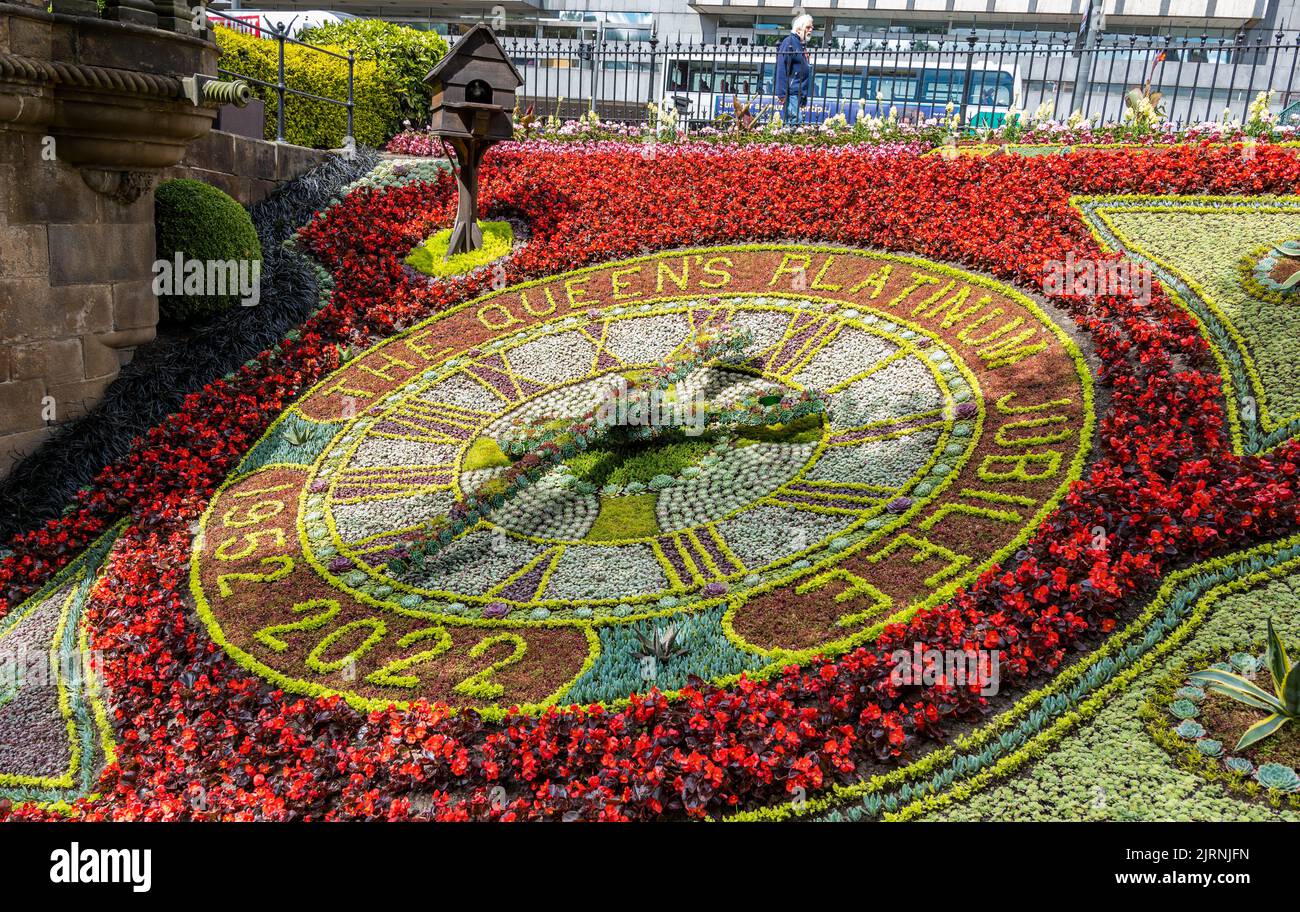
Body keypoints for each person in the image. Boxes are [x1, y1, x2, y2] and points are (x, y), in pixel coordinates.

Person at [776, 14, 814, 127]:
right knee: (793, 123)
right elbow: (781, 67)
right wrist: (782, 93)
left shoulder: (800, 45)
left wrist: (803, 96)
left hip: (798, 92)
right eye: (808, 27)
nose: (811, 30)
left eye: (812, 27)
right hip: (791, 91)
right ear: (798, 29)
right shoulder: (789, 42)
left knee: (796, 123)